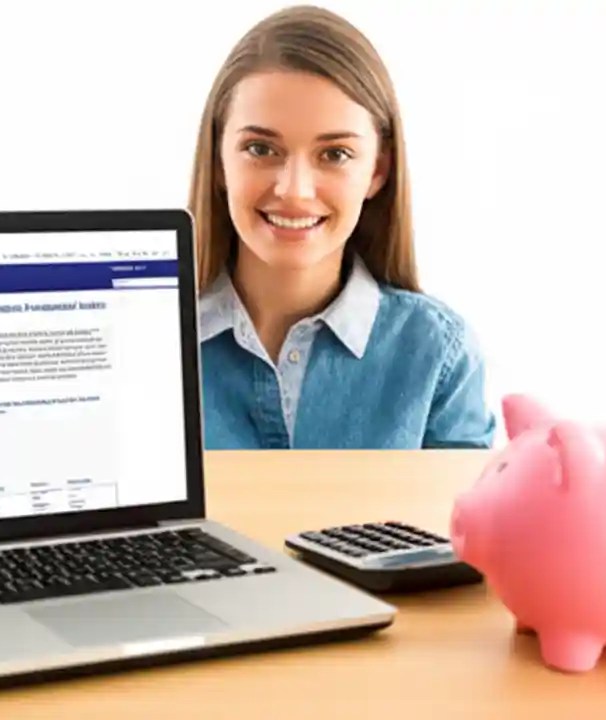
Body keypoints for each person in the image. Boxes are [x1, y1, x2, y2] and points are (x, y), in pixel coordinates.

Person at [187, 4, 496, 450]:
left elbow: (466, 520)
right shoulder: (144, 347)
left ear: (377, 171)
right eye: (260, 148)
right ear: (219, 161)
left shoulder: (437, 354)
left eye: (334, 154)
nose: (294, 190)